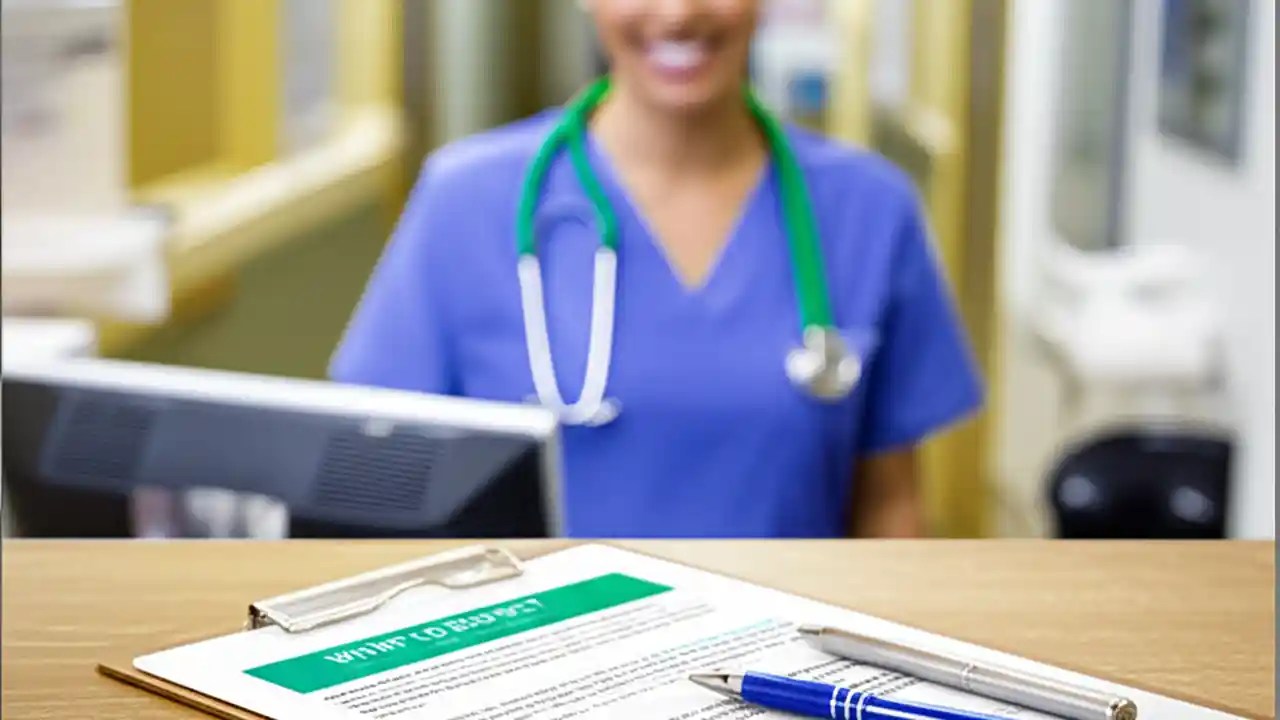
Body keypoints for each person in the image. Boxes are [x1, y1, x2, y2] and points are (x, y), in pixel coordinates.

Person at [330, 0, 982, 538]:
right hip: (536, 663)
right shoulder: (465, 199)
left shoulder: (868, 207)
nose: (677, 14)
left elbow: (890, 507)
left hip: (784, 669)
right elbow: (378, 495)